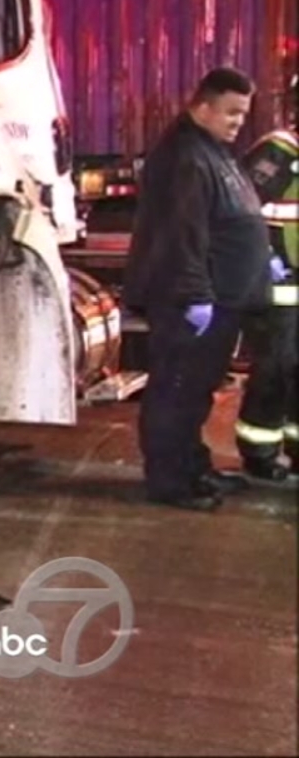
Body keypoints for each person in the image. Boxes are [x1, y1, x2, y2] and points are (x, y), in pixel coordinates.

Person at [123, 67, 270, 511]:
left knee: (197, 391)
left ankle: (193, 466)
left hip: (221, 299)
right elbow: (181, 234)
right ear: (201, 106)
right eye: (230, 112)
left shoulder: (214, 151)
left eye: (243, 114)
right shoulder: (186, 156)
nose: (237, 122)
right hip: (192, 300)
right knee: (177, 391)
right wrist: (193, 297)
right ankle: (172, 482)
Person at [234, 126, 298, 483]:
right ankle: (259, 453)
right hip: (280, 287)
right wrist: (267, 258)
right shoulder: (277, 152)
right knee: (276, 369)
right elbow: (240, 210)